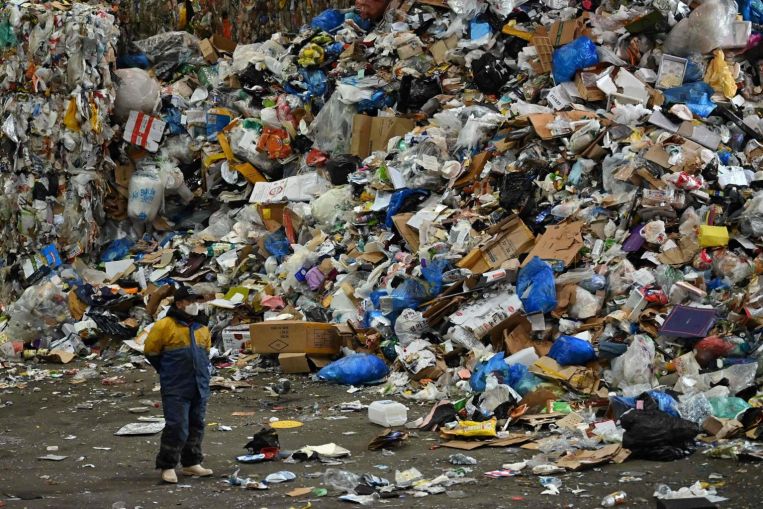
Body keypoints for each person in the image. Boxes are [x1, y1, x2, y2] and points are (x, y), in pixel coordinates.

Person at [144, 286, 213, 484]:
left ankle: (191, 463)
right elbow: (151, 352)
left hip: (200, 384)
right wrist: (167, 371)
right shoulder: (164, 325)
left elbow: (205, 354)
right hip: (176, 385)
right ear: (179, 303)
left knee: (196, 425)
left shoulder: (202, 328)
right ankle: (167, 465)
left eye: (196, 301)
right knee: (177, 426)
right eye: (190, 301)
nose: (194, 305)